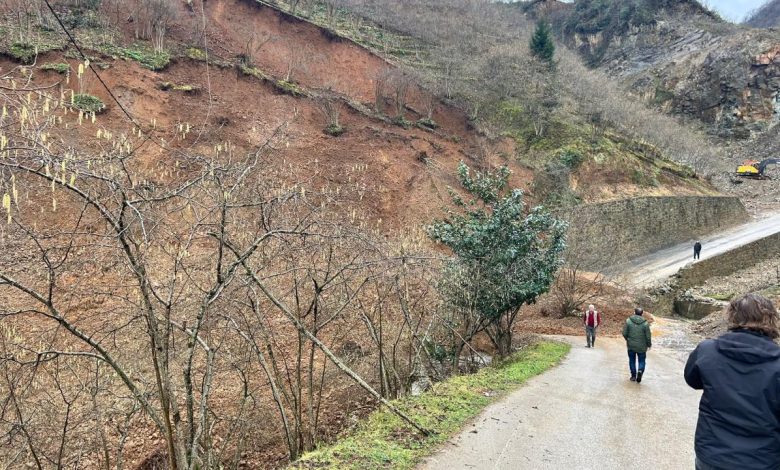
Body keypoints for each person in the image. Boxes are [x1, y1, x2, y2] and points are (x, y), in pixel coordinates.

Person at [684, 294, 780, 470]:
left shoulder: (707, 350)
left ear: (733, 316)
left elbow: (692, 380)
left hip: (712, 455)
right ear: (771, 319)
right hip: (762, 461)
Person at [622, 307, 651, 383]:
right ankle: (640, 370)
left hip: (631, 345)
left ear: (634, 312)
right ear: (642, 314)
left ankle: (633, 376)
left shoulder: (628, 321)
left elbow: (624, 333)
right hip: (642, 347)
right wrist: (649, 344)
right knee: (642, 360)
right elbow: (648, 336)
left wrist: (628, 339)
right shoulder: (645, 323)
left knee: (632, 360)